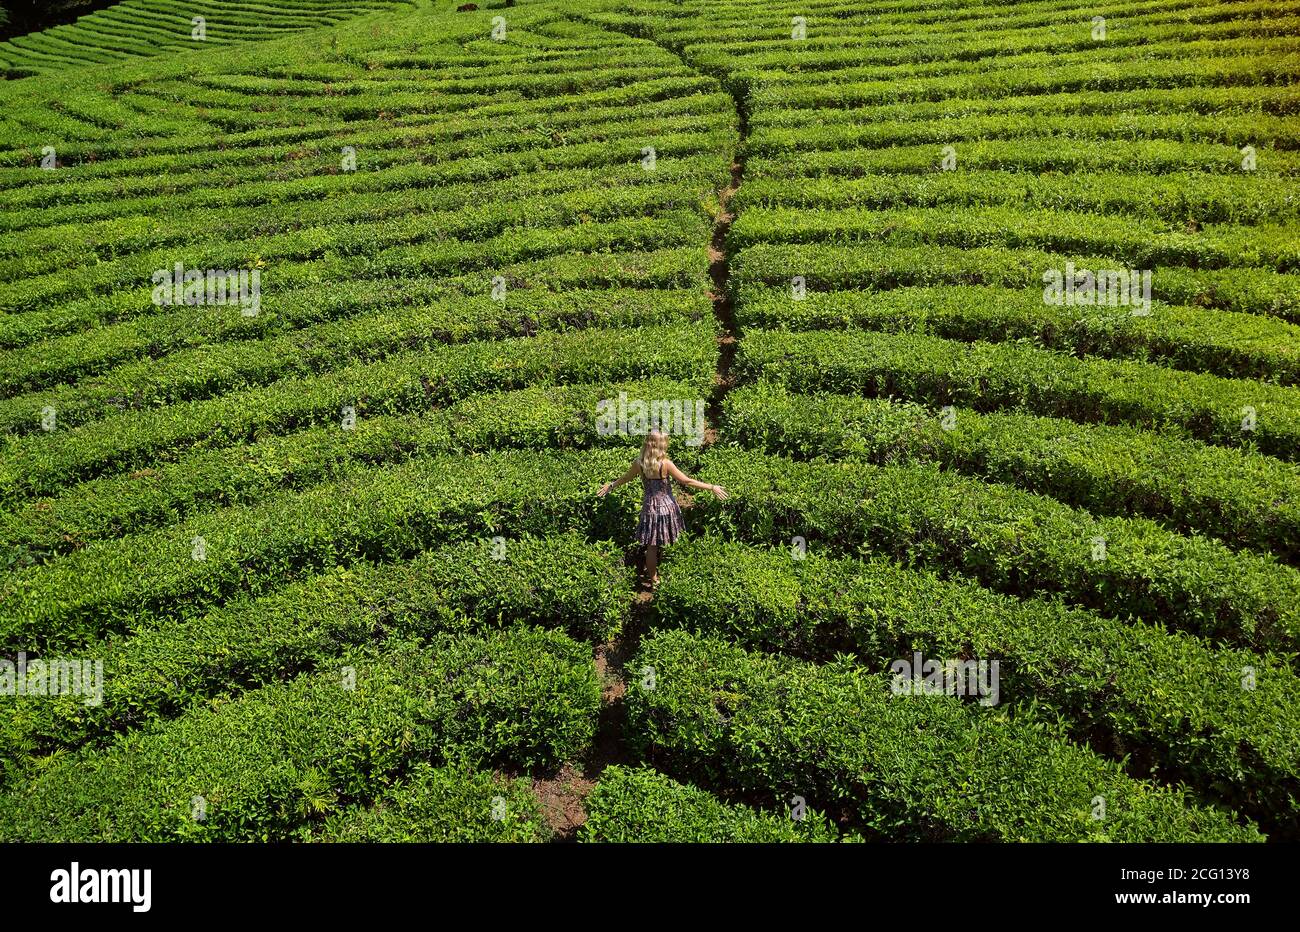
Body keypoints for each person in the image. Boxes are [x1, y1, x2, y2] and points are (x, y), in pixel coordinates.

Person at [597, 428, 728, 589]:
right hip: (667, 507)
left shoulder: (640, 463)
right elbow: (687, 481)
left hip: (649, 509)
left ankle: (654, 579)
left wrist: (611, 485)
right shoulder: (665, 464)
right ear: (661, 446)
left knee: (652, 546)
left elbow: (626, 478)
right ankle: (674, 569)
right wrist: (711, 487)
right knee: (673, 538)